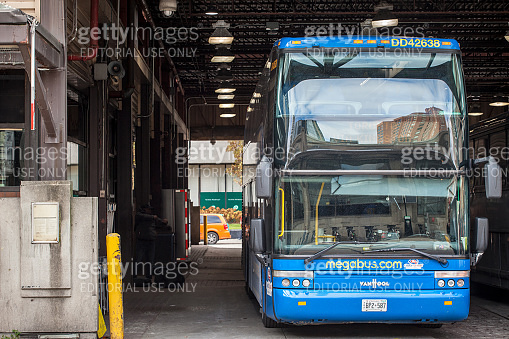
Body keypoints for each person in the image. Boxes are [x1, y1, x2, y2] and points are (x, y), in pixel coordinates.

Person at [134, 204, 168, 283]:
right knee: (138, 259)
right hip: (142, 240)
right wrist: (153, 217)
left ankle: (148, 277)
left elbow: (160, 222)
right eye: (148, 209)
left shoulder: (152, 218)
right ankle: (134, 276)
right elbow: (139, 216)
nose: (150, 211)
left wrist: (164, 222)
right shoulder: (140, 216)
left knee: (150, 260)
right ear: (144, 209)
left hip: (151, 240)